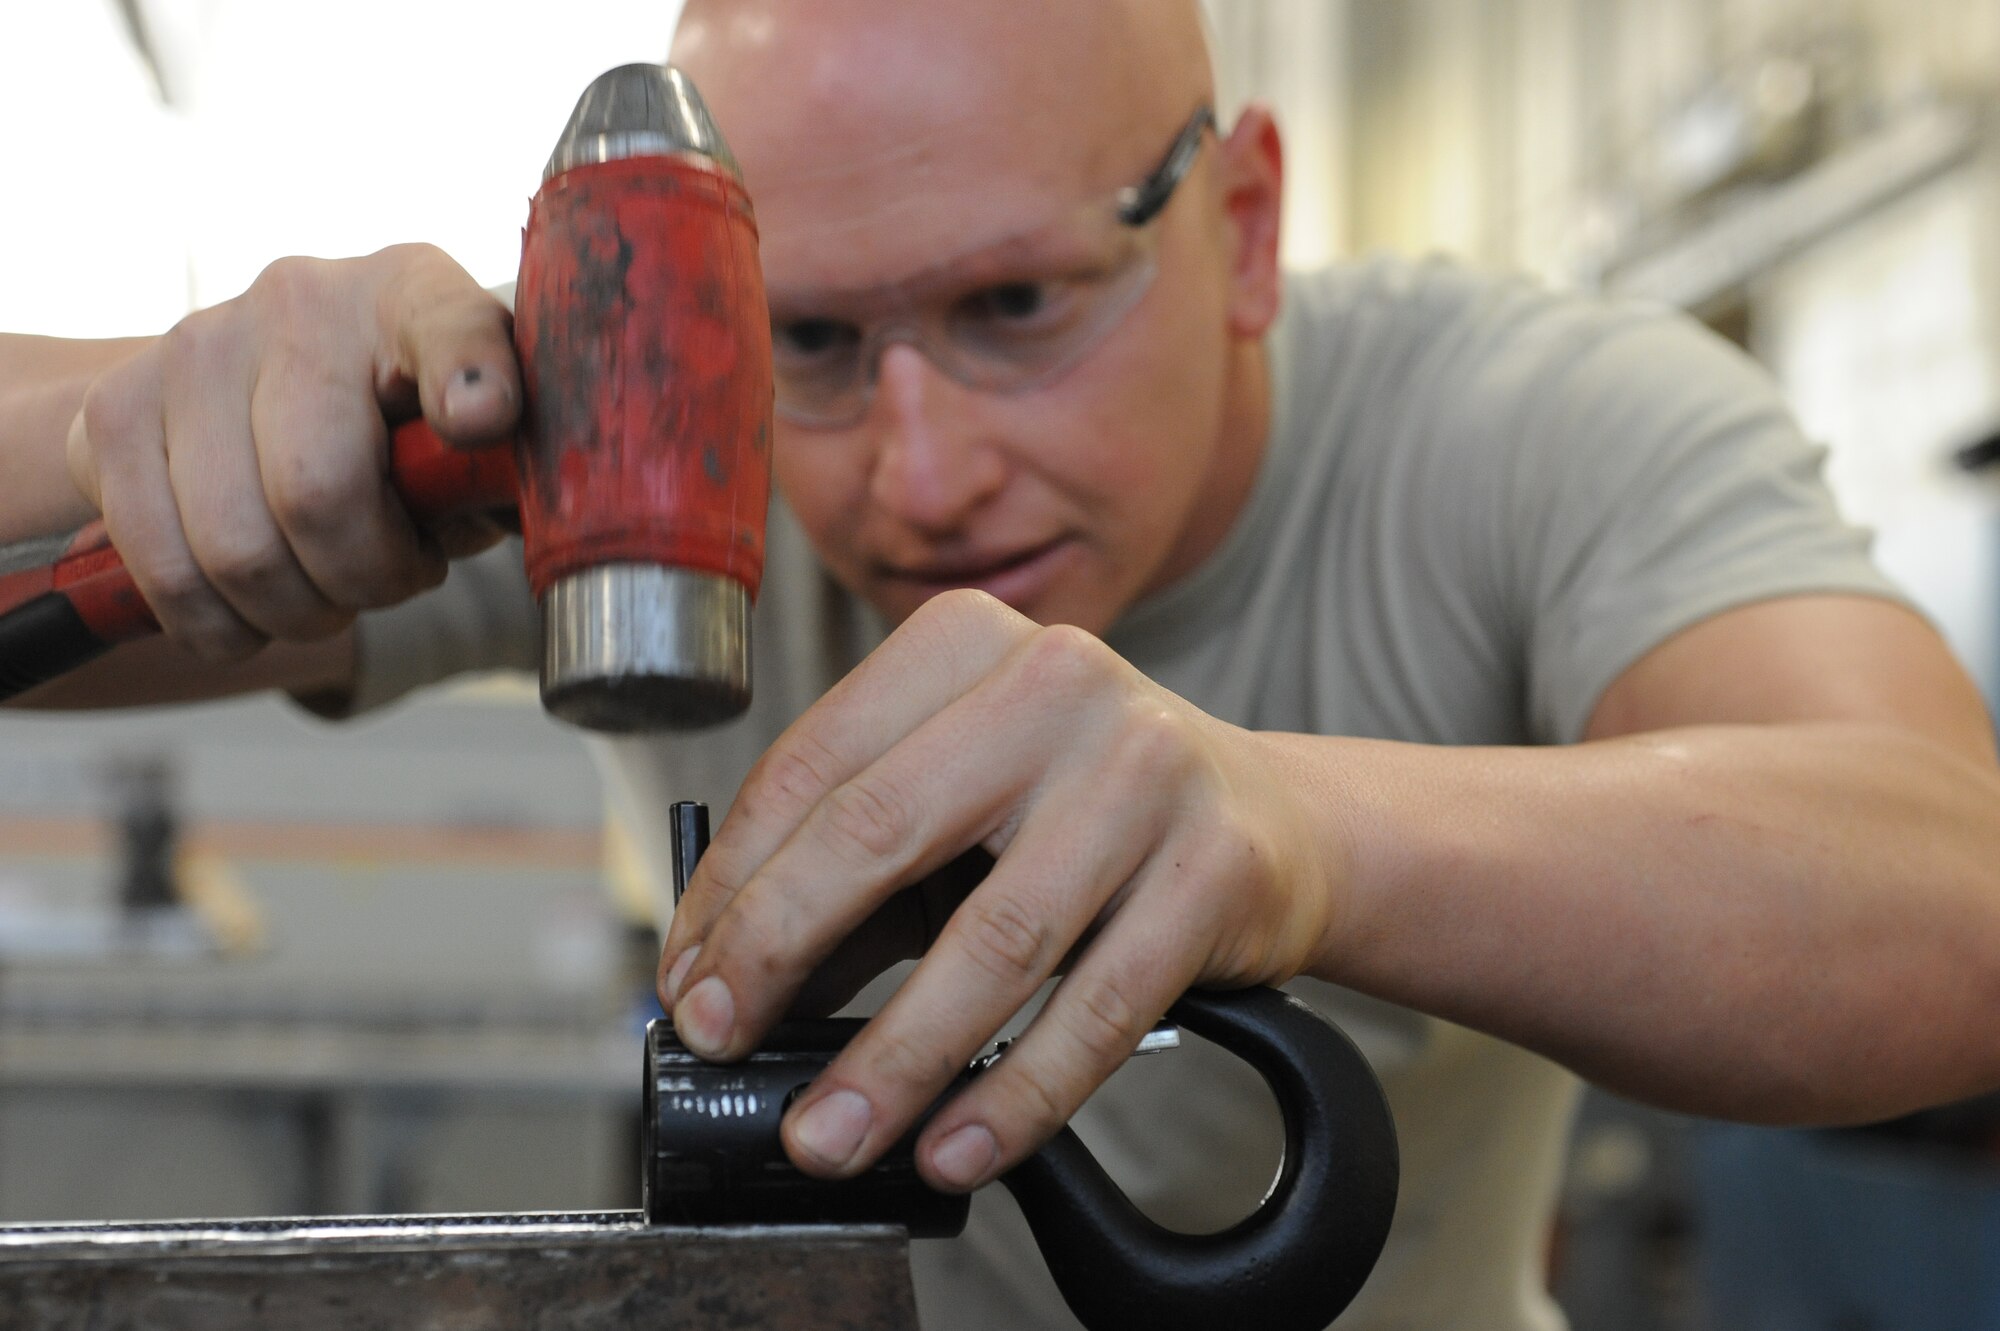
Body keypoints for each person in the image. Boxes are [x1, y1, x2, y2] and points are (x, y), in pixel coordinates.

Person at [4, 2, 1999, 1326]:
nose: (918, 472)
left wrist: (1294, 824)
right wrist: (151, 419)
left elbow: (1951, 905)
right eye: (809, 341)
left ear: (1239, 221)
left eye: (1018, 305)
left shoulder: (1534, 426)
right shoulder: (662, 416)